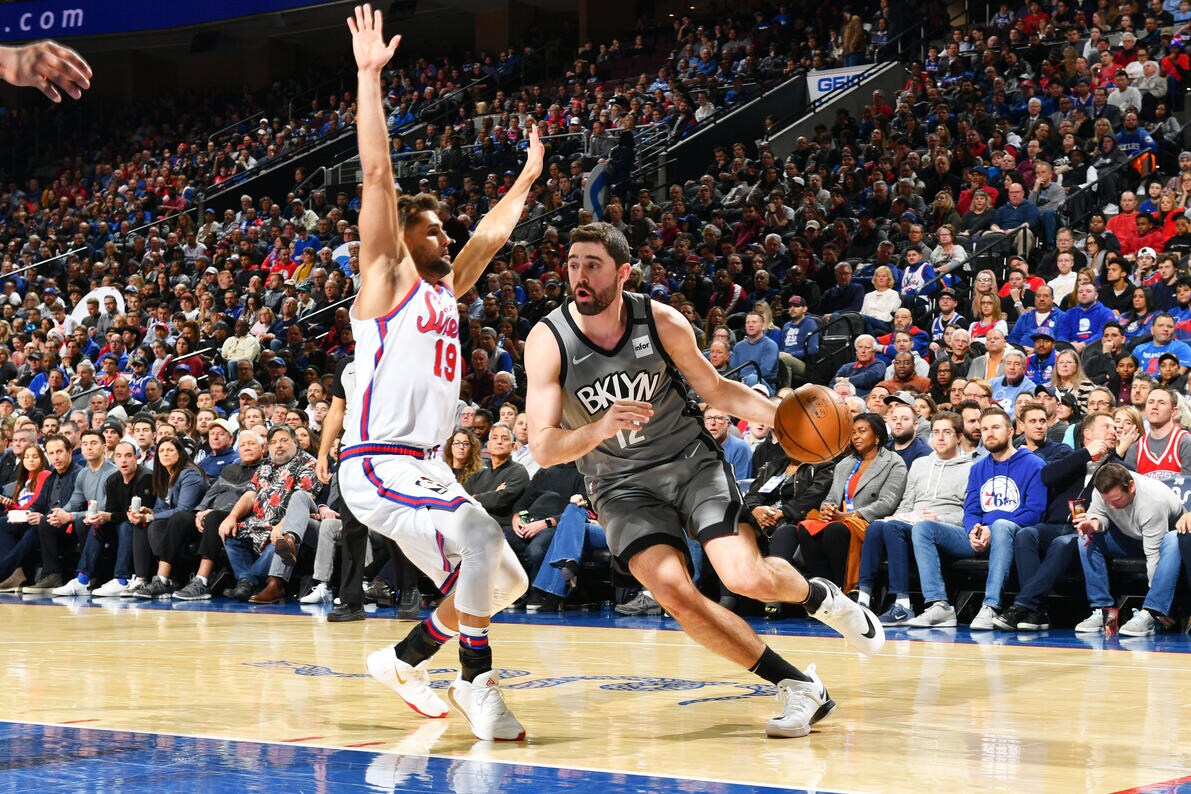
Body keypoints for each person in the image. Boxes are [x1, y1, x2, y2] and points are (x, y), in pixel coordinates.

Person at [525, 221, 886, 740]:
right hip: (618, 484)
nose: (579, 275)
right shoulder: (549, 340)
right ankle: (798, 685)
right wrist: (600, 427)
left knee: (744, 576)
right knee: (675, 593)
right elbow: (542, 446)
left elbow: (716, 389)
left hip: (689, 462)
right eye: (573, 264)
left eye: (593, 265)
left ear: (623, 274)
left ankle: (818, 597)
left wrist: (784, 415)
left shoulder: (660, 321)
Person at [339, 5, 543, 742]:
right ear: (402, 237)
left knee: (505, 578)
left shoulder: (443, 290)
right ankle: (476, 682)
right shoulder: (385, 279)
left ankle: (401, 660)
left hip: (425, 467)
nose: (446, 233)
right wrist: (369, 77)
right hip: (378, 463)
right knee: (482, 538)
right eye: (432, 228)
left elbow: (489, 236)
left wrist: (527, 176)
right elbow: (377, 173)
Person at [908, 408, 1047, 628]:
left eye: (996, 427)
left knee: (1001, 525)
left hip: (1012, 534)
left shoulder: (1034, 464)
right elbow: (971, 509)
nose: (989, 433)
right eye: (985, 429)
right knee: (924, 528)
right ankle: (939, 605)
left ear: (1011, 431)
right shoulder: (978, 467)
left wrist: (992, 528)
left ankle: (991, 605)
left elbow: (1035, 511)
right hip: (981, 535)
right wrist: (973, 528)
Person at [993, 412, 1120, 631]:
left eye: (1115, 428)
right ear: (1087, 434)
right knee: (1025, 534)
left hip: (1084, 531)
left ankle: (1024, 606)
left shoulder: (1118, 468)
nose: (1113, 432)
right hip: (1054, 525)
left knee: (1062, 544)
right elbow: (1046, 476)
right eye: (1106, 427)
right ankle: (1037, 613)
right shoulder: (1073, 459)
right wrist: (1084, 454)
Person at [857, 412, 972, 625]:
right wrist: (897, 515)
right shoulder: (920, 464)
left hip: (943, 527)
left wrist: (941, 518)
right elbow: (907, 500)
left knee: (893, 528)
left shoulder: (971, 468)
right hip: (912, 521)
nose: (940, 437)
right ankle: (863, 600)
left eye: (947, 432)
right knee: (877, 526)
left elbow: (970, 513)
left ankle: (903, 604)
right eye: (936, 432)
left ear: (958, 437)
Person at [1073, 463, 1190, 636]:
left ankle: (1152, 613)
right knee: (1086, 538)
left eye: (1116, 500)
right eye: (1107, 501)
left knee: (1172, 540)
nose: (1112, 506)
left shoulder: (1153, 501)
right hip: (1132, 538)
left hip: (1168, 546)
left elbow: (1154, 556)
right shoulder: (1102, 490)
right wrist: (1094, 523)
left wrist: (1155, 605)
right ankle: (1104, 613)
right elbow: (1100, 514)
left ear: (1131, 486)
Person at [1123, 386, 1191, 480]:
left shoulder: (1186, 443)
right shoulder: (1135, 449)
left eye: (1161, 403)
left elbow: (1188, 485)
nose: (1154, 407)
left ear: (1173, 411)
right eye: (1151, 402)